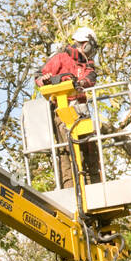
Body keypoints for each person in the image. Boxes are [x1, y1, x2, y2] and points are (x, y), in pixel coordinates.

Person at [35, 27, 102, 187]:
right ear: (86, 44)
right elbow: (39, 76)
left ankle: (93, 183)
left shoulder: (88, 66)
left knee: (89, 148)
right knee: (66, 149)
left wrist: (80, 83)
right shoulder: (60, 58)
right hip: (62, 110)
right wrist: (44, 80)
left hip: (81, 110)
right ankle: (70, 186)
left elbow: (90, 78)